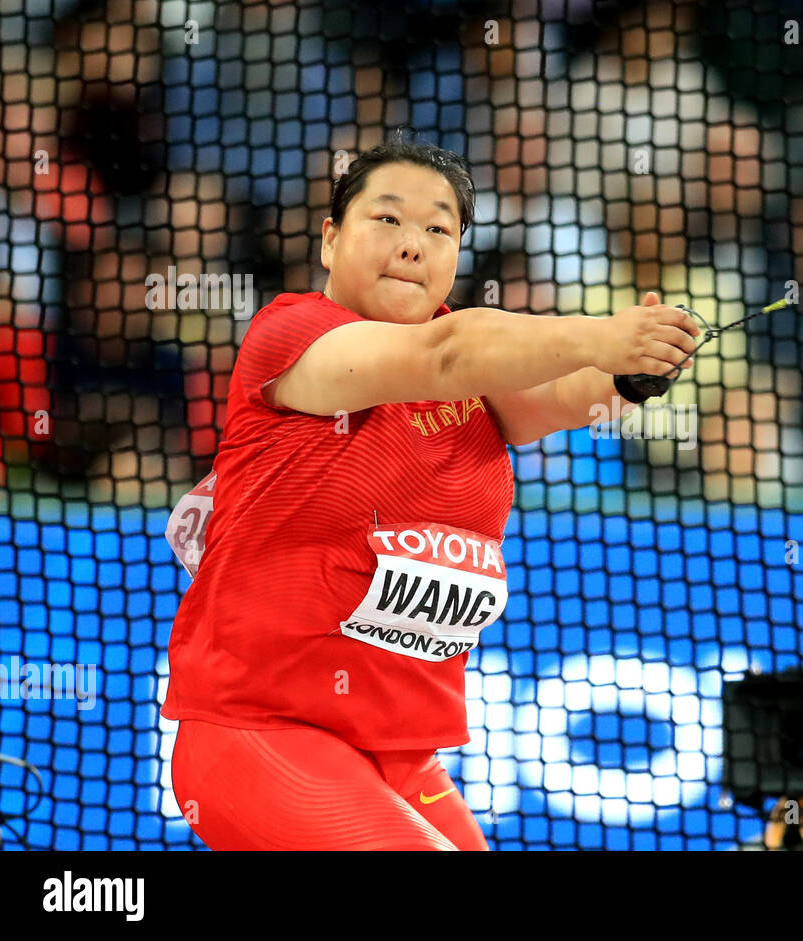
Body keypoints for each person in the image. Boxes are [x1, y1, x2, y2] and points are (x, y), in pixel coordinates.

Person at [160, 137, 701, 850]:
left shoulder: (475, 369)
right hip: (258, 731)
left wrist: (633, 370)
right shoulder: (293, 334)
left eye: (438, 228)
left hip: (397, 752)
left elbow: (561, 397)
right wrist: (604, 332)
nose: (412, 244)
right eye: (387, 219)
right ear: (330, 239)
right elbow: (445, 357)